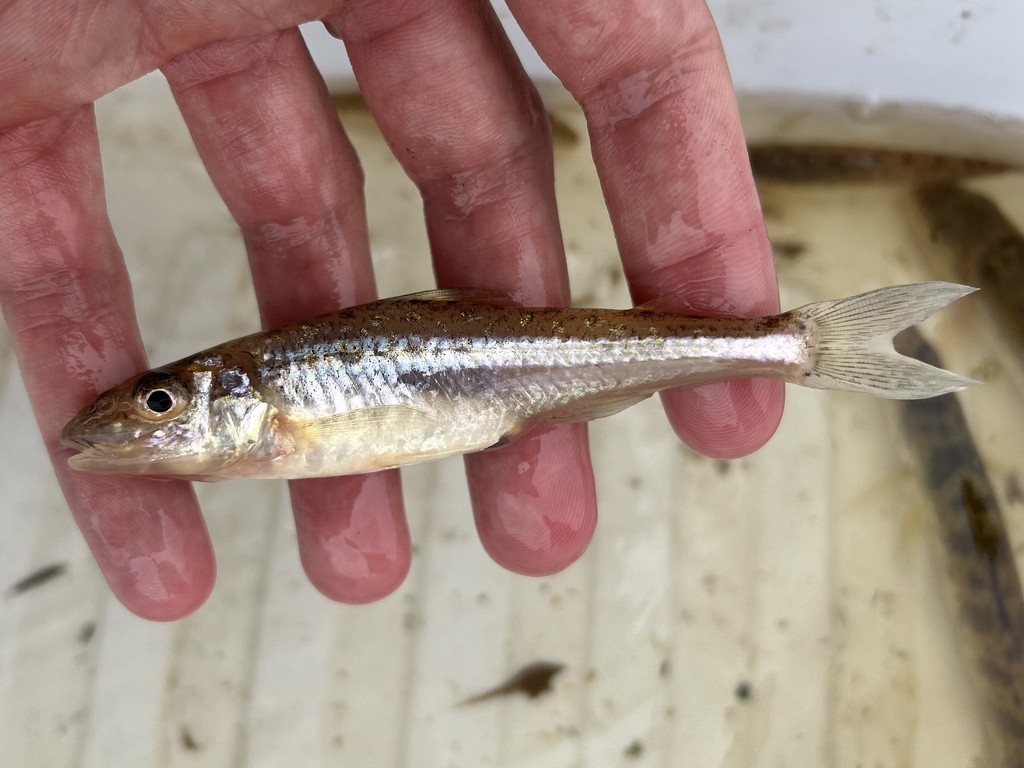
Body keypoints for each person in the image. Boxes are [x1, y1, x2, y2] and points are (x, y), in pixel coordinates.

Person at [0, 0, 783, 620]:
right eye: (157, 400)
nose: (145, 416)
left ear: (228, 394)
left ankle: (779, 347)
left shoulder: (268, 406)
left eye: (159, 400)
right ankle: (774, 347)